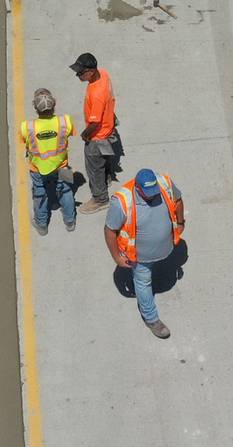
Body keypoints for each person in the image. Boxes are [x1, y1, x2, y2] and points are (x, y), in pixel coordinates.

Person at [104, 168, 185, 338]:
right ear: (138, 188)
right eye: (148, 193)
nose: (154, 195)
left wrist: (180, 221)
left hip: (165, 248)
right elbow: (110, 230)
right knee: (142, 283)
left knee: (153, 269)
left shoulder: (164, 184)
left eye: (154, 191)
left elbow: (177, 200)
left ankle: (157, 263)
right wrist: (116, 257)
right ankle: (151, 319)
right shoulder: (122, 202)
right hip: (139, 258)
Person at [18, 88, 76, 235]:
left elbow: (23, 141)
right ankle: (70, 221)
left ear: (34, 107)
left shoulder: (27, 126)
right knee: (66, 191)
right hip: (62, 165)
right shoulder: (65, 121)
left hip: (38, 169)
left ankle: (42, 225)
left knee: (40, 195)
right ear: (54, 103)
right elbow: (71, 133)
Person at [71, 53, 118, 212]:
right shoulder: (103, 74)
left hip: (97, 137)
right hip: (108, 128)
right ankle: (107, 177)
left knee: (93, 168)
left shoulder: (96, 94)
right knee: (104, 160)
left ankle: (100, 199)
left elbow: (95, 122)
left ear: (90, 71)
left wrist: (85, 135)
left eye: (80, 72)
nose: (77, 75)